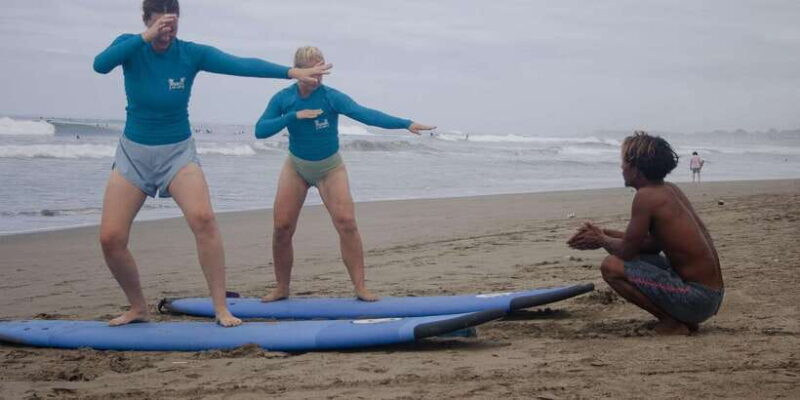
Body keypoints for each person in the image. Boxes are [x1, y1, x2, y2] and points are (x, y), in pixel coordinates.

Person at [93, 0, 330, 327]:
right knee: (110, 238)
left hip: (178, 153)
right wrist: (145, 37)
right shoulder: (130, 46)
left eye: (172, 26)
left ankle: (221, 308)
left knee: (204, 219)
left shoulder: (190, 54)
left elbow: (240, 64)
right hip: (134, 154)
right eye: (160, 26)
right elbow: (100, 65)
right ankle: (137, 307)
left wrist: (291, 72)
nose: (166, 34)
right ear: (147, 21)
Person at [255, 46, 435, 302]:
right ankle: (281, 287)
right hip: (296, 167)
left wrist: (405, 123)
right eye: (314, 71)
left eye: (322, 71)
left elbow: (366, 114)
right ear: (299, 71)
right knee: (282, 227)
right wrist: (294, 116)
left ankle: (360, 287)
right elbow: (260, 131)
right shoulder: (284, 99)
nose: (318, 78)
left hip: (330, 168)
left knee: (347, 223)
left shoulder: (331, 97)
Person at [567, 131, 723, 335]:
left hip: (697, 299)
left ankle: (671, 322)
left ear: (635, 168)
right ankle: (682, 319)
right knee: (643, 258)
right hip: (711, 297)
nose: (621, 168)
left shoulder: (646, 197)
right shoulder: (668, 190)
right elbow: (651, 244)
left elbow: (626, 253)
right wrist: (603, 233)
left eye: (624, 162)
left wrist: (601, 239)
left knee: (611, 266)